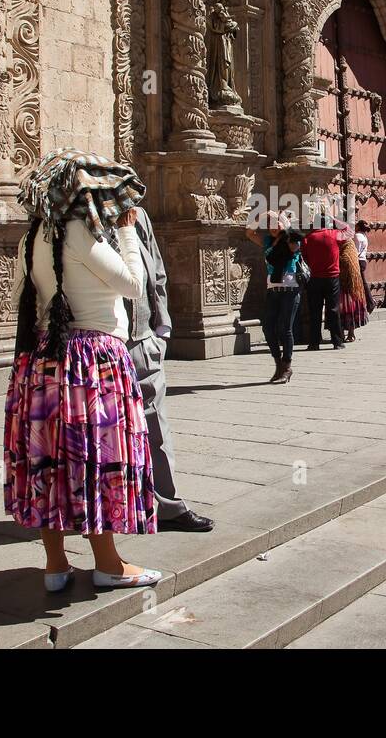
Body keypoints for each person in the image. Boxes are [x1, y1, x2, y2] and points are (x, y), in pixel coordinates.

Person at [6, 149, 159, 592]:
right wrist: (128, 236)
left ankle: (56, 565)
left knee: (48, 460)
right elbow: (133, 284)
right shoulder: (78, 234)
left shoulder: (33, 234)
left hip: (44, 361)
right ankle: (109, 564)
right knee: (97, 458)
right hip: (94, 361)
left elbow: (24, 295)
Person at [123, 206, 214, 532]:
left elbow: (155, 271)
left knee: (155, 426)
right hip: (98, 345)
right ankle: (106, 505)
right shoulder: (76, 219)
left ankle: (167, 505)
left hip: (142, 340)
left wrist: (162, 328)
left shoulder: (138, 215)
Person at [248, 211, 305, 384]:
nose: (274, 227)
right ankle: (279, 363)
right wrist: (259, 218)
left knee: (285, 328)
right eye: (271, 224)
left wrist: (284, 223)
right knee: (268, 327)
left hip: (290, 289)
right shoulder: (267, 242)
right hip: (273, 290)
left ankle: (286, 366)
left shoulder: (291, 240)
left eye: (277, 223)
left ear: (284, 224)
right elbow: (249, 233)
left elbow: (295, 242)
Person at [302, 210, 346, 350]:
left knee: (314, 310)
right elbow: (348, 230)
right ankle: (337, 342)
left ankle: (314, 343)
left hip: (314, 278)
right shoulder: (334, 235)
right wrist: (335, 220)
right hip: (332, 277)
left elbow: (304, 257)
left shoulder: (308, 238)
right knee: (333, 309)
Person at [338, 234, 368, 343]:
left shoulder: (348, 248)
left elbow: (347, 261)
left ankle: (351, 333)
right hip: (341, 284)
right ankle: (340, 333)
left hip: (350, 285)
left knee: (349, 308)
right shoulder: (345, 247)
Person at [354, 219, 376, 313]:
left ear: (358, 227)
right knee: (362, 283)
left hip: (357, 261)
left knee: (361, 283)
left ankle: (370, 303)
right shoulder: (364, 236)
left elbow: (356, 251)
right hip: (363, 261)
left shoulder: (357, 236)